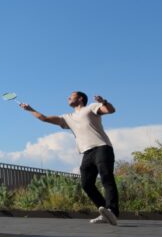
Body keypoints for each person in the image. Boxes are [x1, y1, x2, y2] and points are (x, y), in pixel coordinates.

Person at [19, 91, 119, 225]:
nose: (68, 98)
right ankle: (106, 212)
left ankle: (112, 211)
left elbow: (111, 110)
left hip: (102, 147)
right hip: (87, 152)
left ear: (80, 98)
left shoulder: (91, 108)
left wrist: (104, 101)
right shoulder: (67, 117)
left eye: (71, 96)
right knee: (86, 184)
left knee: (106, 177)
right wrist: (30, 109)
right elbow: (44, 118)